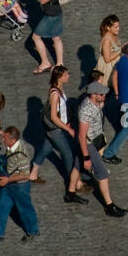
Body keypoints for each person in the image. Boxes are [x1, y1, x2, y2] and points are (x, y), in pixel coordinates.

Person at [28, 66, 88, 201]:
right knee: (68, 155)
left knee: (45, 149)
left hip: (55, 128)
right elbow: (54, 117)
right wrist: (68, 129)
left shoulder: (58, 88)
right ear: (60, 77)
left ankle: (33, 174)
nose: (68, 76)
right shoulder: (55, 93)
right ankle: (75, 184)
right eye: (66, 75)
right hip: (56, 129)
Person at [77, 82, 128, 215]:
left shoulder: (95, 102)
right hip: (89, 145)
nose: (104, 96)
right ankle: (109, 206)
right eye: (101, 94)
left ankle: (72, 190)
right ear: (93, 95)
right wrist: (87, 157)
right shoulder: (86, 111)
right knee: (103, 174)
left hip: (95, 140)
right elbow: (82, 136)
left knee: (75, 166)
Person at [0, 127, 39, 244]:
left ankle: (33, 231)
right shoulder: (12, 144)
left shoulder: (21, 154)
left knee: (25, 209)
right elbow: (1, 133)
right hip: (9, 184)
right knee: (1, 206)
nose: (2, 140)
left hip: (19, 186)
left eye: (4, 138)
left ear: (12, 140)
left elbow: (26, 175)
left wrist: (7, 180)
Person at [30, 0, 65, 74]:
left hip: (51, 15)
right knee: (56, 37)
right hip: (54, 12)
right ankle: (60, 63)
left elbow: (43, 0)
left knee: (36, 37)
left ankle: (45, 63)